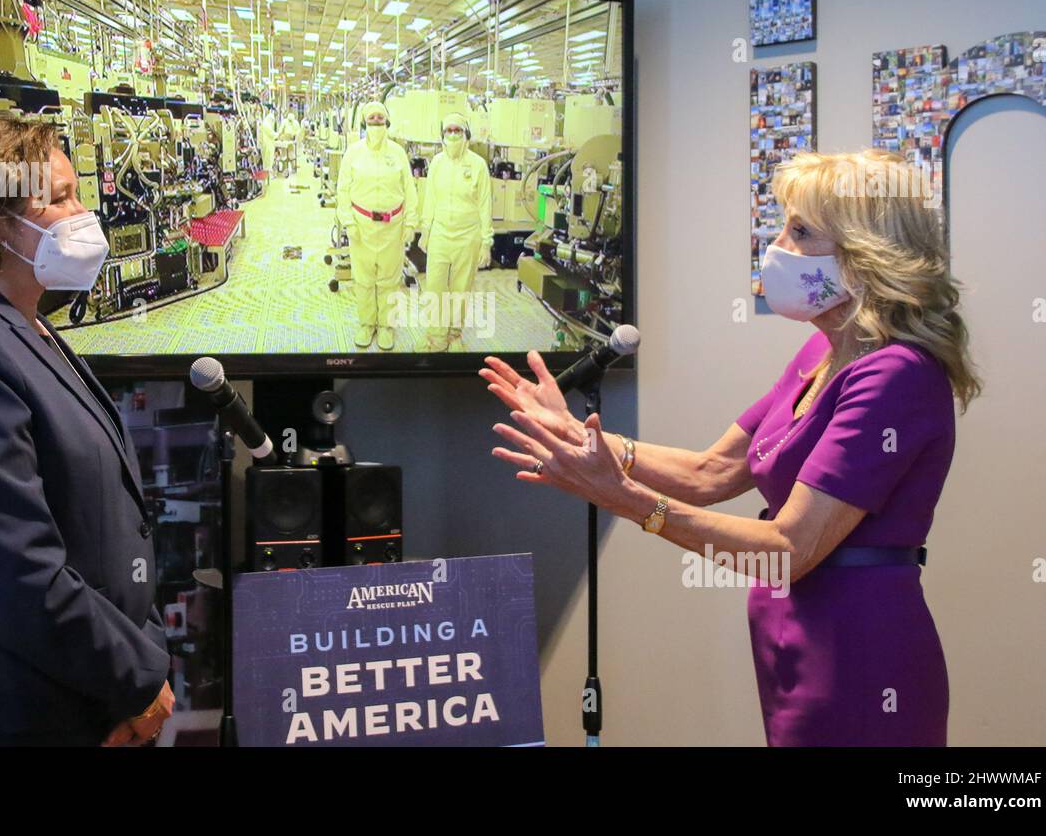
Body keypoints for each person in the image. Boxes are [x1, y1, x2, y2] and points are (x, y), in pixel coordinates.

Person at [484, 149, 982, 746]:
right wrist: (577, 435)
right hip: (791, 636)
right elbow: (710, 470)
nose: (777, 247)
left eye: (800, 232)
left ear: (864, 256)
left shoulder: (897, 374)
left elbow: (790, 549)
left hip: (858, 652)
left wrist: (623, 498)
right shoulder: (820, 358)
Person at [0, 113, 174, 746]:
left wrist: (144, 661)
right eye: (60, 198)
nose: (84, 214)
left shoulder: (32, 332)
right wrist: (134, 679)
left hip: (89, 706)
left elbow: (114, 527)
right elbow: (12, 570)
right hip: (18, 718)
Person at [335, 100, 419, 350]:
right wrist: (348, 222)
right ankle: (366, 324)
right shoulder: (353, 153)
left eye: (379, 119)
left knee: (389, 279)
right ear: (364, 122)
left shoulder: (398, 153)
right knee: (364, 279)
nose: (375, 123)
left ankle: (386, 326)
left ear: (387, 122)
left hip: (393, 226)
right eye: (370, 119)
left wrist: (410, 223)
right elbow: (343, 190)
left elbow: (410, 190)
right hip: (362, 225)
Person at [420, 113, 493, 352]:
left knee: (461, 288)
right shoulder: (437, 163)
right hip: (440, 233)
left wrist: (486, 242)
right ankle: (435, 336)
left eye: (457, 130)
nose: (453, 135)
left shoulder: (478, 165)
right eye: (449, 130)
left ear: (466, 134)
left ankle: (454, 335)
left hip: (468, 236)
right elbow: (429, 198)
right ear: (442, 135)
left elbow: (485, 204)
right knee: (435, 286)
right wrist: (426, 231)